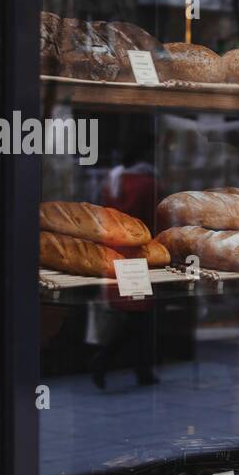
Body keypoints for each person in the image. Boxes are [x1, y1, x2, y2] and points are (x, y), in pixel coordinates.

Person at [90, 132, 159, 388]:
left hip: (113, 257)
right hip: (137, 260)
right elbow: (153, 223)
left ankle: (137, 369)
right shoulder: (147, 184)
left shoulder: (114, 180)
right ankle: (114, 363)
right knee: (140, 319)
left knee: (132, 318)